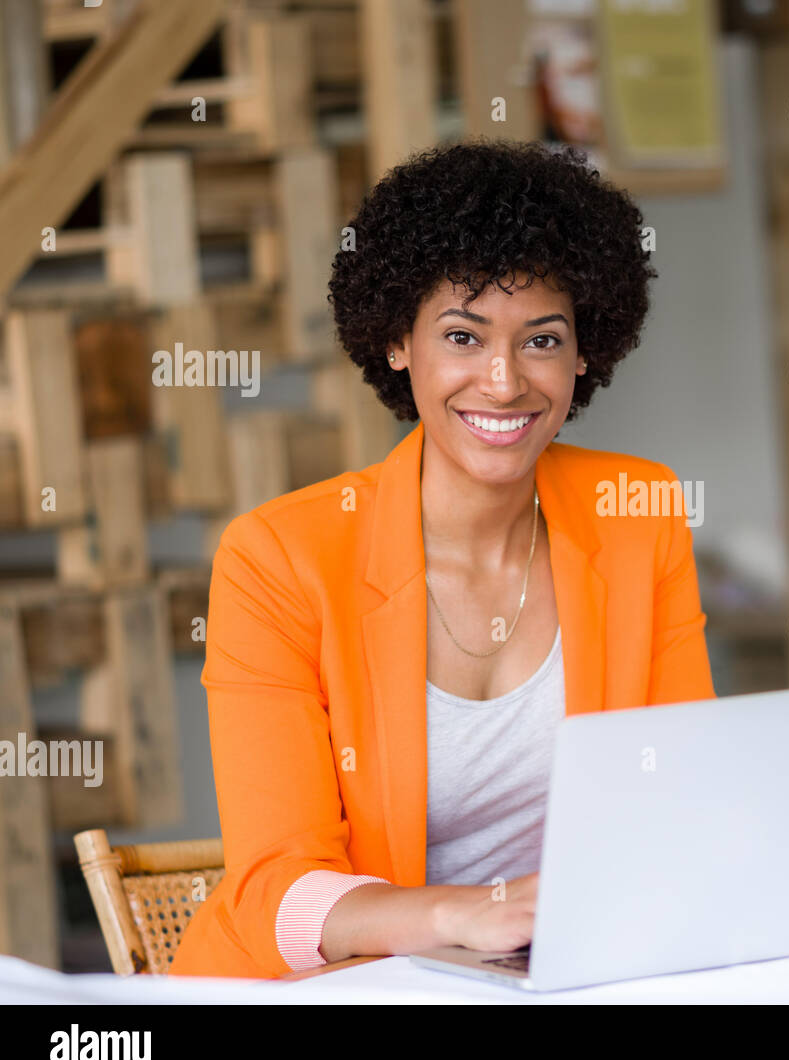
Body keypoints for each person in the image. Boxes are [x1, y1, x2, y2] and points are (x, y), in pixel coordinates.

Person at [171, 139, 715, 979]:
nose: (502, 383)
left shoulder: (635, 510)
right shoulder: (278, 558)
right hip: (351, 989)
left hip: (570, 973)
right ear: (399, 342)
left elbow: (684, 793)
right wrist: (470, 915)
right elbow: (277, 892)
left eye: (541, 340)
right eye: (463, 336)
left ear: (584, 353)